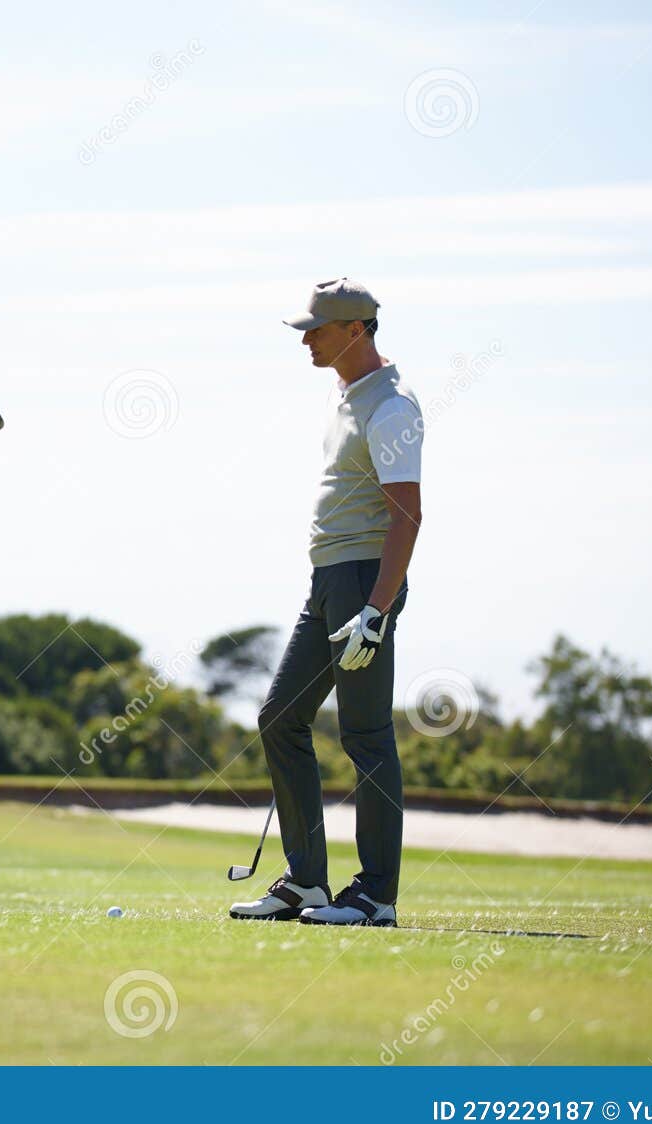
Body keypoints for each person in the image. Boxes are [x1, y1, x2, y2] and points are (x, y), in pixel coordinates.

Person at [230, 277, 423, 928]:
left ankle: (375, 896)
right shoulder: (349, 394)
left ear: (356, 330)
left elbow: (407, 516)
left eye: (315, 330)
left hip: (363, 580)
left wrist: (377, 607)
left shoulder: (391, 407)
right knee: (281, 717)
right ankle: (307, 882)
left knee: (367, 737)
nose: (306, 341)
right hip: (328, 579)